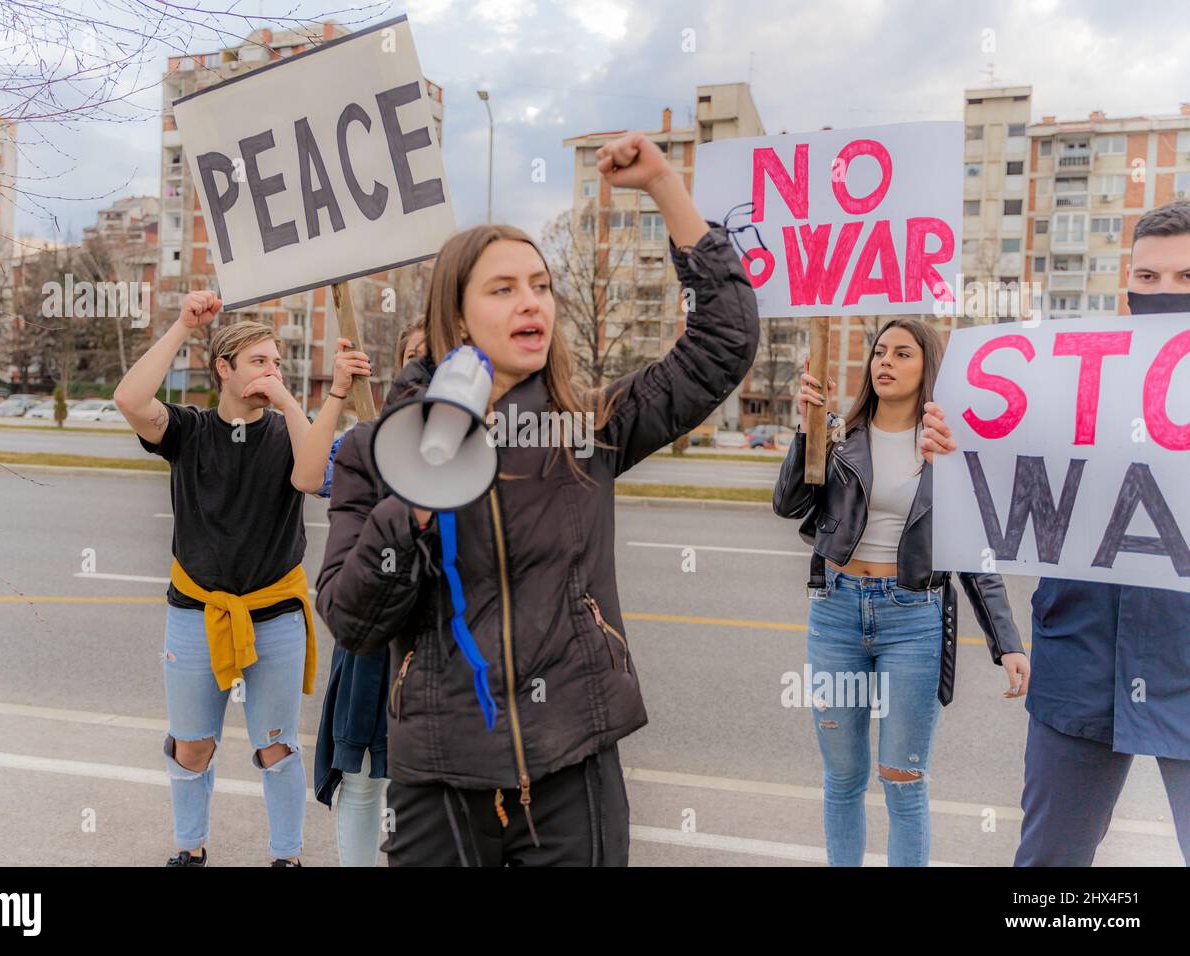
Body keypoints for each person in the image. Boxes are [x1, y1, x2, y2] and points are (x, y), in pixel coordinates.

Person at [315, 131, 760, 866]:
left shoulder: (583, 428)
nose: (532, 303)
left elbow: (721, 345)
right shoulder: (373, 453)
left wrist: (664, 188)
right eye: (503, 288)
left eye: (540, 285)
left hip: (571, 765)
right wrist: (415, 504)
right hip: (440, 780)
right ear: (456, 318)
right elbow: (353, 621)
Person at [921, 200, 1190, 866]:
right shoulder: (1069, 381)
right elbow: (1007, 469)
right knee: (1048, 866)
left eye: (1186, 278)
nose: (1164, 293)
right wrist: (952, 448)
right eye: (1148, 277)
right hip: (1082, 664)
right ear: (1126, 282)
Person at [773, 317, 1028, 867]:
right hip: (836, 612)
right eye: (880, 352)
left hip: (914, 617)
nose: (885, 362)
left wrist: (1007, 641)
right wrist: (806, 430)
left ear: (927, 367)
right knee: (843, 776)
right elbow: (788, 505)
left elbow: (972, 555)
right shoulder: (840, 435)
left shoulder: (945, 446)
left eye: (902, 354)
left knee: (903, 777)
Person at [113, 292, 350, 866]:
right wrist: (182, 326)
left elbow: (311, 474)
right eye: (258, 362)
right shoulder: (188, 432)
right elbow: (130, 398)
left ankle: (287, 858)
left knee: (277, 747)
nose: (270, 371)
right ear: (224, 368)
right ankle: (190, 852)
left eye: (276, 362)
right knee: (193, 745)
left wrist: (303, 397)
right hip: (196, 612)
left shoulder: (287, 432)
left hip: (275, 615)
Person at [312, 323, 424, 867]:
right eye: (412, 356)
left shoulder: (489, 444)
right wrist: (337, 392)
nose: (423, 366)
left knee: (426, 789)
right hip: (371, 649)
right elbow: (310, 475)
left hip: (440, 656)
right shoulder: (366, 447)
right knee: (360, 780)